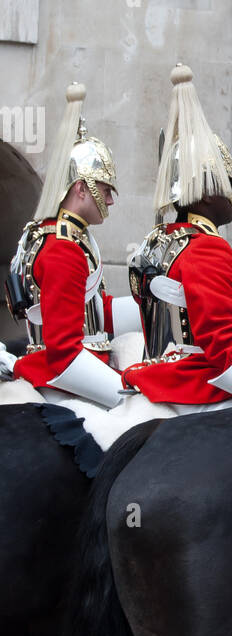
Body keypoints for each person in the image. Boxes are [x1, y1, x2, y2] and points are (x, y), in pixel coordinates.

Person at [122, 63, 232, 406]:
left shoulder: (160, 243)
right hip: (193, 390)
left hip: (151, 380)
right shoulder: (208, 248)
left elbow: (195, 325)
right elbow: (224, 349)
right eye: (229, 184)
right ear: (206, 193)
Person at [6, 83, 141, 407]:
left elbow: (97, 315)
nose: (110, 199)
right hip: (69, 388)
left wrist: (154, 304)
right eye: (105, 189)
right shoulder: (63, 249)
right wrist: (124, 396)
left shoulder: (60, 236)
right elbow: (65, 354)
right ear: (81, 188)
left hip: (75, 376)